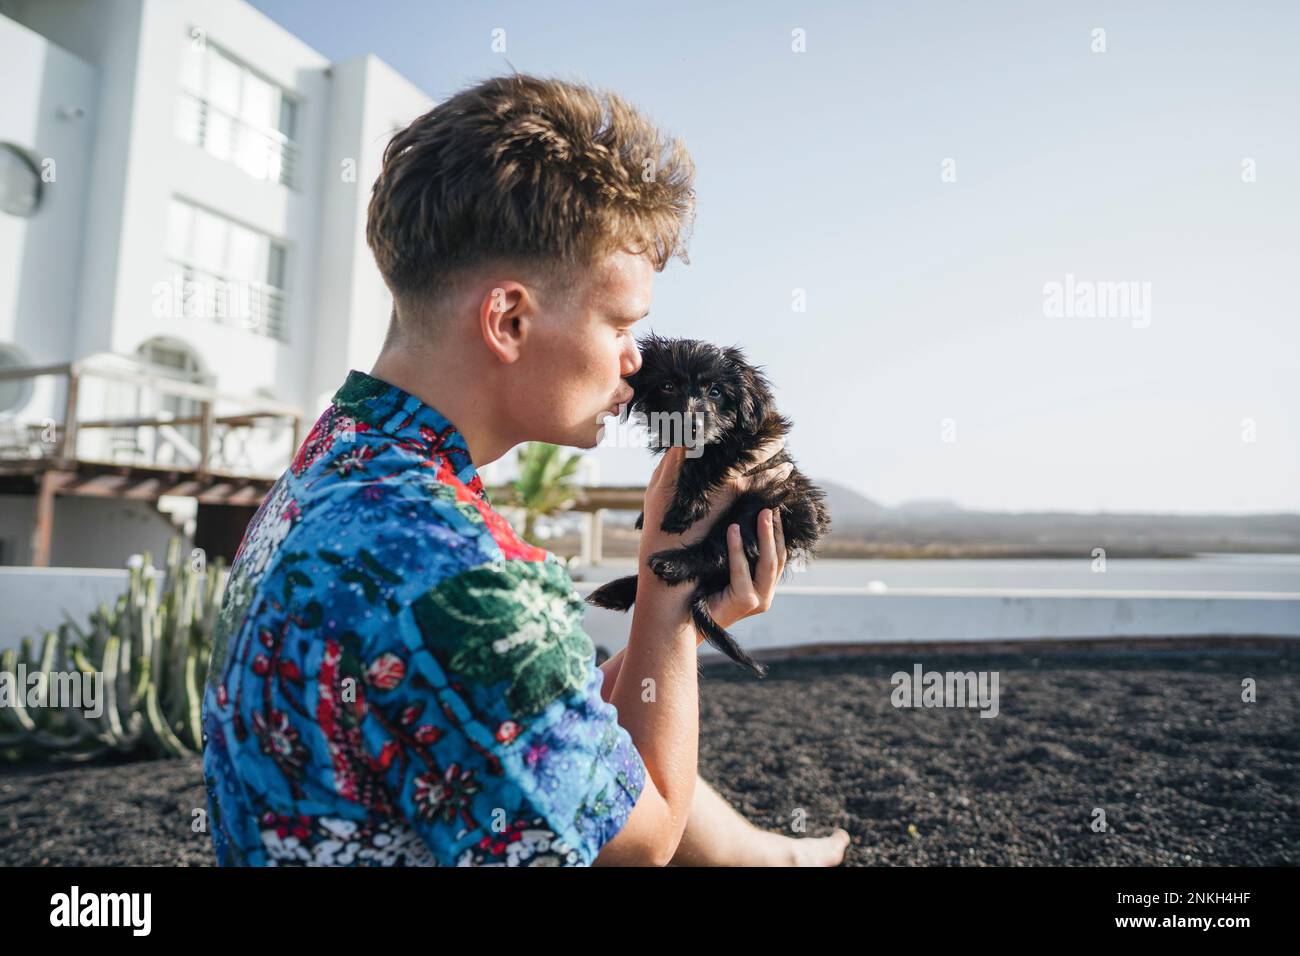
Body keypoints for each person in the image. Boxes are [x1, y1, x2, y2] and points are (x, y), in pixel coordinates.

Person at [200, 72, 850, 867]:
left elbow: (526, 719)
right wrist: (671, 594)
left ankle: (772, 859)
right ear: (508, 319)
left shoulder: (339, 457)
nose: (634, 356)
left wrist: (659, 600)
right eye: (619, 321)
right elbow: (639, 844)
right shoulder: (448, 568)